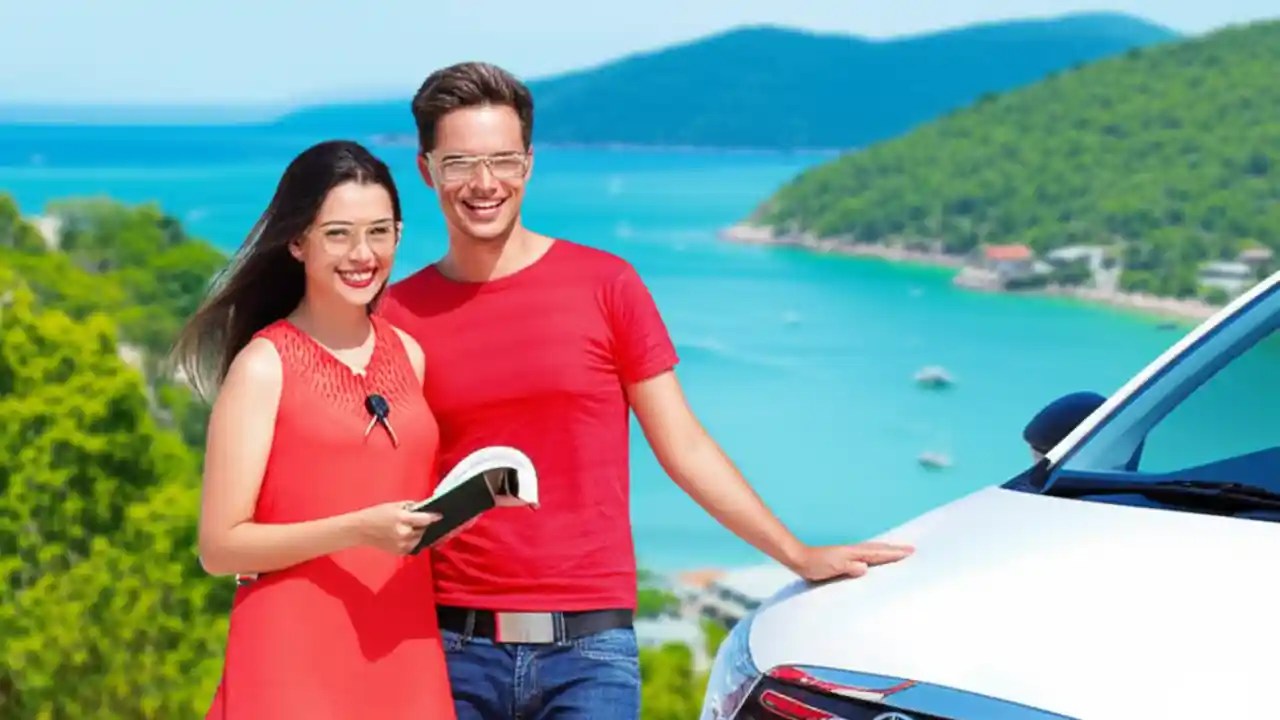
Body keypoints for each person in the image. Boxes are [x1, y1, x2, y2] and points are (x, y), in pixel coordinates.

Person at [379, 61, 914, 720]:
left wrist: (796, 552)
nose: (485, 184)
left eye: (504, 160)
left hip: (590, 655)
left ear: (529, 164)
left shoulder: (607, 286)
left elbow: (682, 444)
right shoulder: (395, 317)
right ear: (428, 169)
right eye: (460, 162)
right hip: (447, 651)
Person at [176, 140, 456, 719]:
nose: (363, 253)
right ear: (298, 242)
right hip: (291, 659)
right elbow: (220, 546)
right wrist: (357, 529)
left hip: (405, 649)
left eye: (380, 232)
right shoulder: (264, 366)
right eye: (338, 233)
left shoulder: (410, 355)